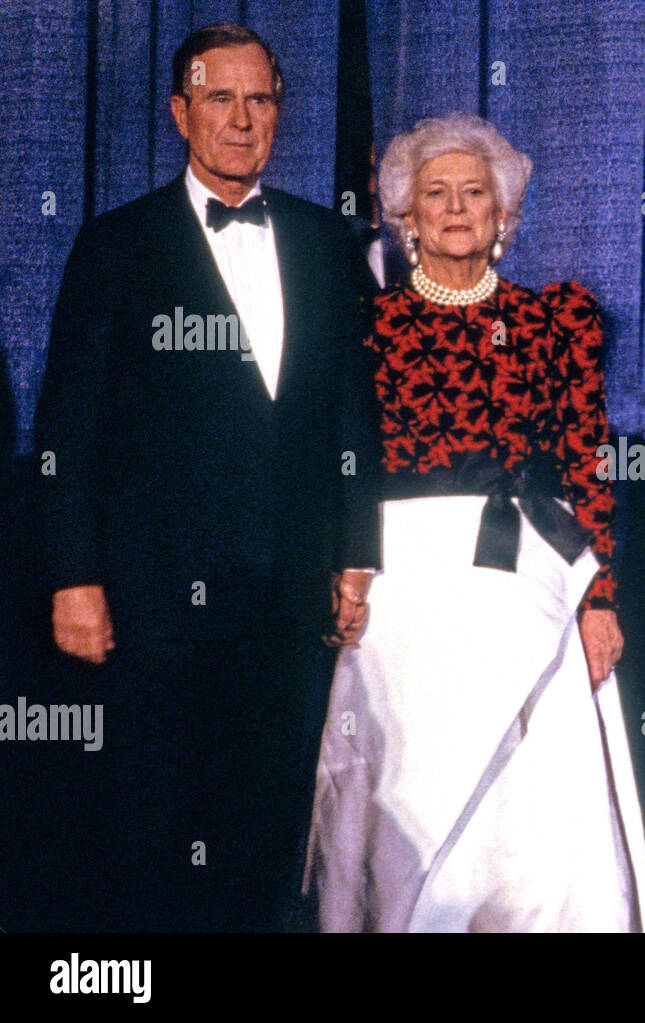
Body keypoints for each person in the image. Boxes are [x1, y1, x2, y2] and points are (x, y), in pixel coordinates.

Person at [33, 24, 381, 931]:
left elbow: (353, 410)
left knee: (273, 822)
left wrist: (356, 553)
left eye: (260, 99)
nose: (242, 119)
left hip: (292, 593)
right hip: (155, 598)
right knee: (157, 818)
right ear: (180, 113)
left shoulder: (323, 239)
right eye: (220, 99)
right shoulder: (116, 245)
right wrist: (74, 577)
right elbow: (68, 427)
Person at [306, 112, 645, 932]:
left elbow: (587, 458)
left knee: (532, 805)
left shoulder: (557, 318)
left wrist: (600, 595)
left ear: (505, 217)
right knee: (409, 793)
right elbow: (337, 463)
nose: (457, 208)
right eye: (436, 193)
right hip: (400, 589)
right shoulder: (367, 324)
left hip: (527, 578)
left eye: (475, 194)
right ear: (404, 216)